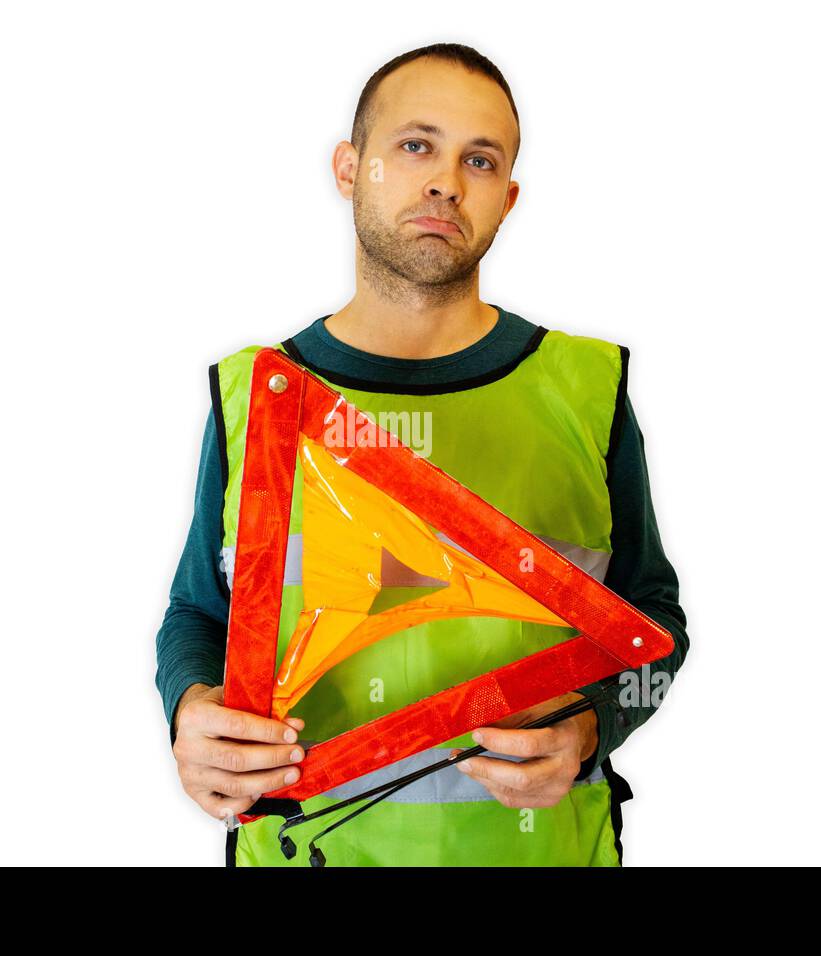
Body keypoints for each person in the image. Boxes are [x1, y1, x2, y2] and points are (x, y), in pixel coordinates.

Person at [155, 42, 689, 866]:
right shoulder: (257, 398)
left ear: (507, 198)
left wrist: (592, 726)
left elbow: (655, 627)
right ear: (348, 166)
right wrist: (190, 710)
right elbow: (197, 614)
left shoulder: (585, 388)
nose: (446, 180)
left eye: (479, 159)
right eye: (415, 145)